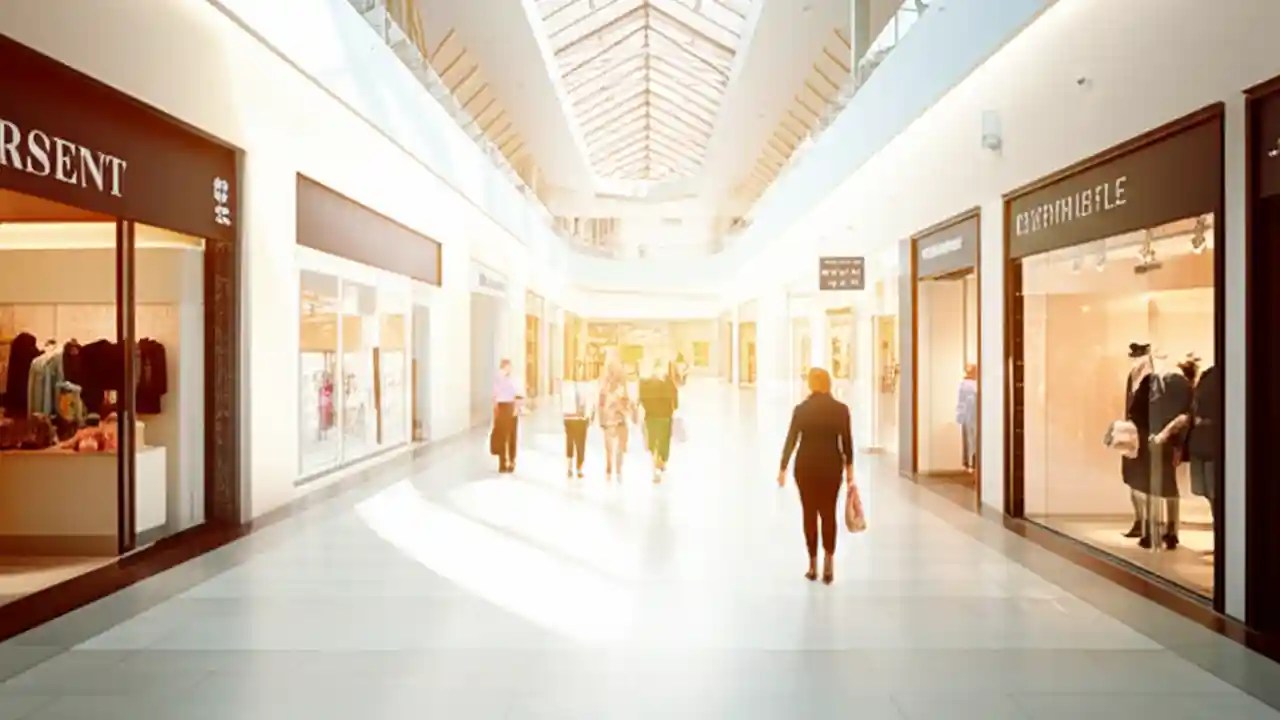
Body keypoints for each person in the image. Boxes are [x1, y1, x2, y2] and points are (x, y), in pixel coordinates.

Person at [777, 367, 858, 585]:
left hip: (806, 467)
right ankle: (829, 562)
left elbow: (791, 440)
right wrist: (850, 469)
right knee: (828, 513)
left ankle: (812, 564)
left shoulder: (801, 409)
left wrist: (782, 468)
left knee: (809, 514)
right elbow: (847, 442)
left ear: (811, 384)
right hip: (831, 467)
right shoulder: (841, 410)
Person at [639, 358, 677, 483]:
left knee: (653, 442)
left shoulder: (645, 383)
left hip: (651, 417)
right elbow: (675, 401)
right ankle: (659, 463)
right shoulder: (668, 382)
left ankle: (656, 465)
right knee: (663, 442)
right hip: (665, 417)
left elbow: (641, 399)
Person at [598, 359, 633, 482]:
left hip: (619, 420)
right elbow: (601, 404)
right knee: (610, 447)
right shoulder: (605, 388)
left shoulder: (622, 386)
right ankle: (610, 467)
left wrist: (623, 407)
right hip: (610, 420)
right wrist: (601, 419)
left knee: (620, 446)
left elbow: (627, 403)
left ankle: (617, 468)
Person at [562, 361, 596, 479]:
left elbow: (591, 402)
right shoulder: (567, 385)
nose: (579, 373)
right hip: (570, 417)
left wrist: (590, 416)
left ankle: (579, 467)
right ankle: (570, 467)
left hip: (582, 418)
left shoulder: (588, 386)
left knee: (581, 444)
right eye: (577, 370)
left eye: (581, 370)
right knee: (570, 442)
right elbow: (564, 401)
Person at [492, 358, 521, 473]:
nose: (507, 369)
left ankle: (512, 461)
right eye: (505, 367)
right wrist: (495, 412)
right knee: (502, 437)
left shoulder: (514, 379)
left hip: (511, 407)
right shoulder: (498, 380)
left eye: (508, 367)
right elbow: (494, 397)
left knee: (512, 436)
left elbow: (518, 395)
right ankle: (502, 462)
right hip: (502, 407)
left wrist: (516, 408)